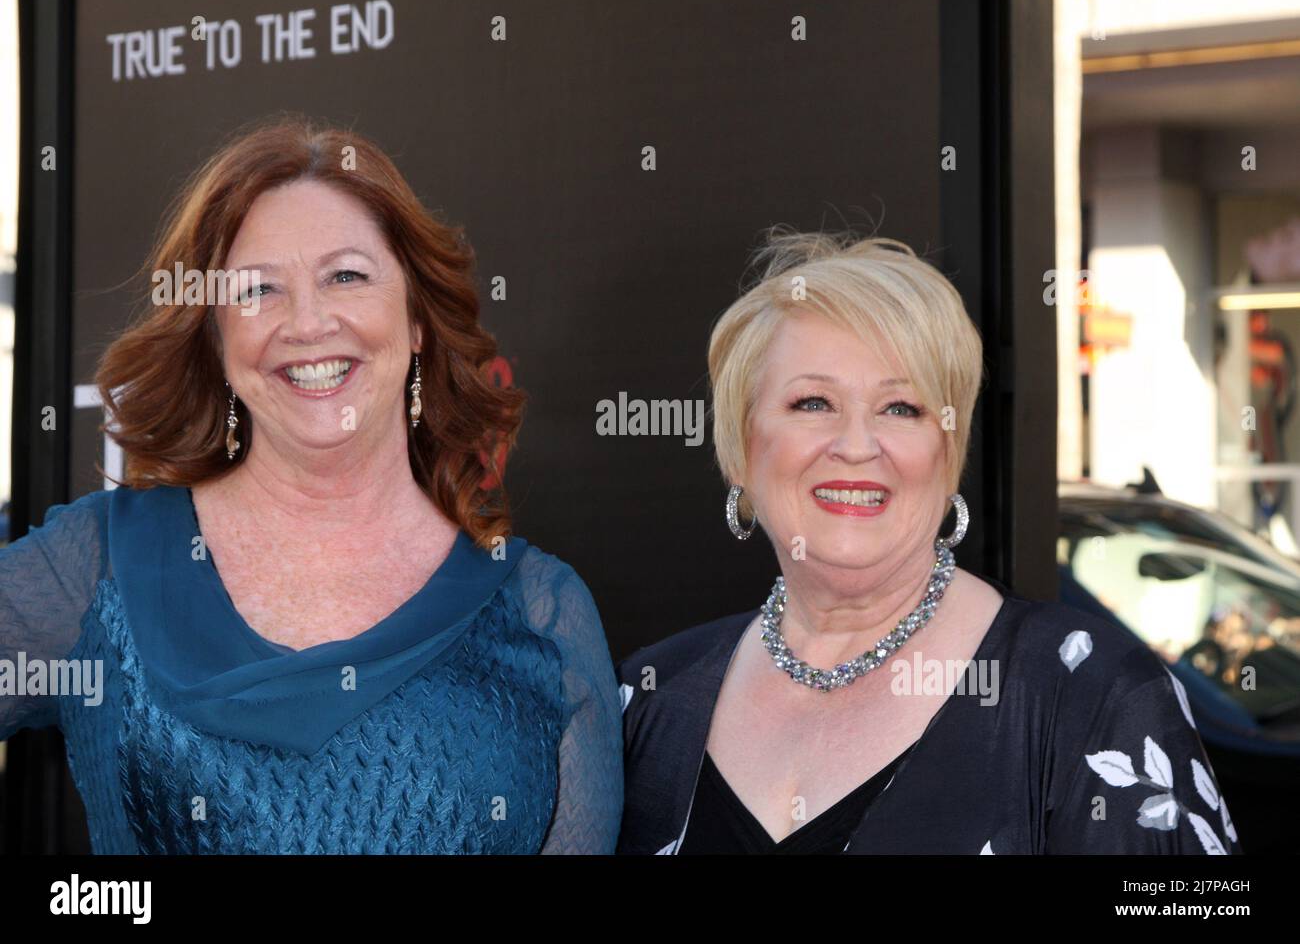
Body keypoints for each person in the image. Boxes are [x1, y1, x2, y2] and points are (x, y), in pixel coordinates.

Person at [0, 115, 622, 854]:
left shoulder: (541, 616)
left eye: (346, 275)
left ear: (417, 316)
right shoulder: (98, 565)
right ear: (217, 338)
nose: (308, 322)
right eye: (259, 290)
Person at [616, 229, 1241, 854]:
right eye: (813, 402)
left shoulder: (1091, 694)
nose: (857, 445)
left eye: (901, 409)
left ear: (949, 454)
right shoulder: (647, 698)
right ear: (741, 449)